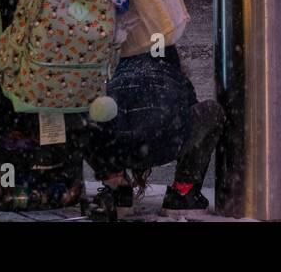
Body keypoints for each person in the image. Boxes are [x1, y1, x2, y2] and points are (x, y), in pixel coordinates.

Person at [82, 44, 224, 219]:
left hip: (117, 150)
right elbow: (190, 111)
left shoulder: (116, 69)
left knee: (83, 114)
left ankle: (117, 187)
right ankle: (183, 193)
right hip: (167, 143)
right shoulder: (174, 71)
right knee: (211, 111)